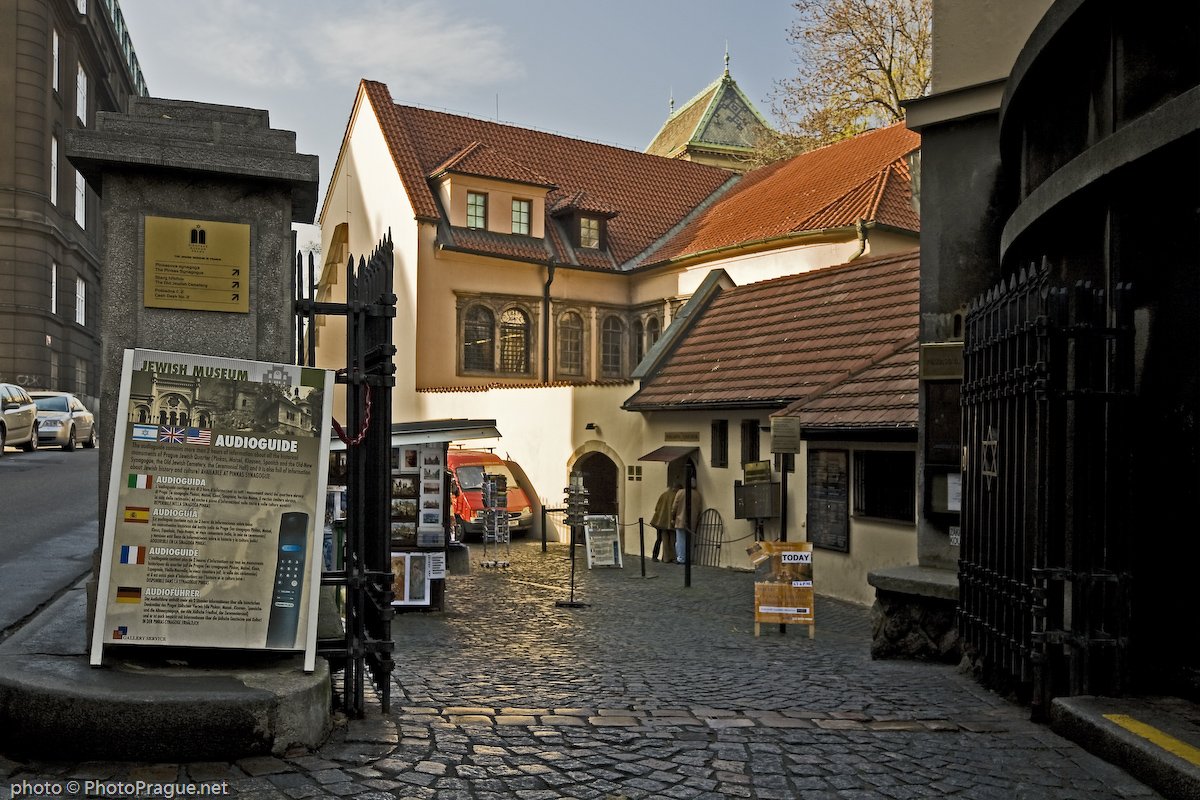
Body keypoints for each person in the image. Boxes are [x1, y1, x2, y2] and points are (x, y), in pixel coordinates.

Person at [672, 480, 703, 565]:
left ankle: (681, 558)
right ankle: (689, 557)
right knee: (690, 541)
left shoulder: (680, 492)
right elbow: (699, 509)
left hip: (680, 520)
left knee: (680, 541)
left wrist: (673, 517)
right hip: (692, 521)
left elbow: (675, 506)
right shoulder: (698, 495)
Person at [649, 483, 678, 561]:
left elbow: (656, 508)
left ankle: (656, 556)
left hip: (659, 521)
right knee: (672, 539)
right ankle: (671, 557)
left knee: (659, 539)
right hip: (669, 522)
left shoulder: (663, 495)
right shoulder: (675, 496)